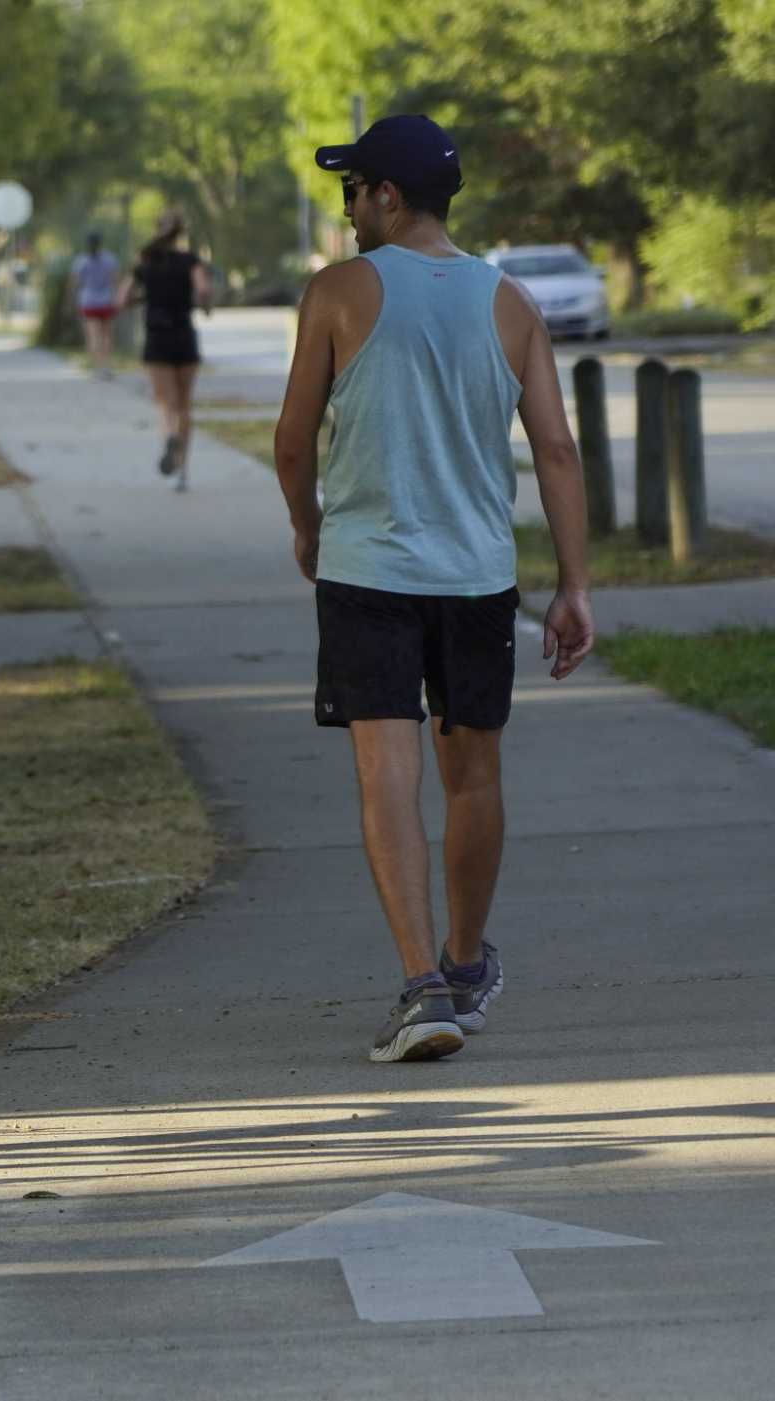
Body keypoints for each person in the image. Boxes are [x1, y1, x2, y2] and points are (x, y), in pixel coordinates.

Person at [271, 114, 594, 1063]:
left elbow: (292, 441)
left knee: (387, 772)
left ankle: (422, 989)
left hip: (367, 570)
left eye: (352, 191)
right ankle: (463, 963)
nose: (348, 210)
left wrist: (307, 523)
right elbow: (557, 450)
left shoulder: (338, 291)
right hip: (477, 577)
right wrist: (574, 586)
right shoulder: (511, 301)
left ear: (388, 196)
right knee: (474, 776)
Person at [118, 210, 213, 490]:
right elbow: (203, 290)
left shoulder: (145, 260)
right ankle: (183, 471)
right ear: (180, 233)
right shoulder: (190, 261)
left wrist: (143, 297)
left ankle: (170, 436)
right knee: (184, 405)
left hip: (156, 338)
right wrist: (204, 306)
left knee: (166, 405)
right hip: (184, 336)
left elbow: (121, 298)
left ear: (156, 229)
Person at [67, 231, 120, 379]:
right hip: (106, 301)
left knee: (93, 336)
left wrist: (70, 301)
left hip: (88, 302)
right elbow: (116, 280)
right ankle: (107, 366)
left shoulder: (81, 261)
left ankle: (97, 367)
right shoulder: (110, 259)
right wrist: (117, 298)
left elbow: (74, 282)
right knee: (107, 336)